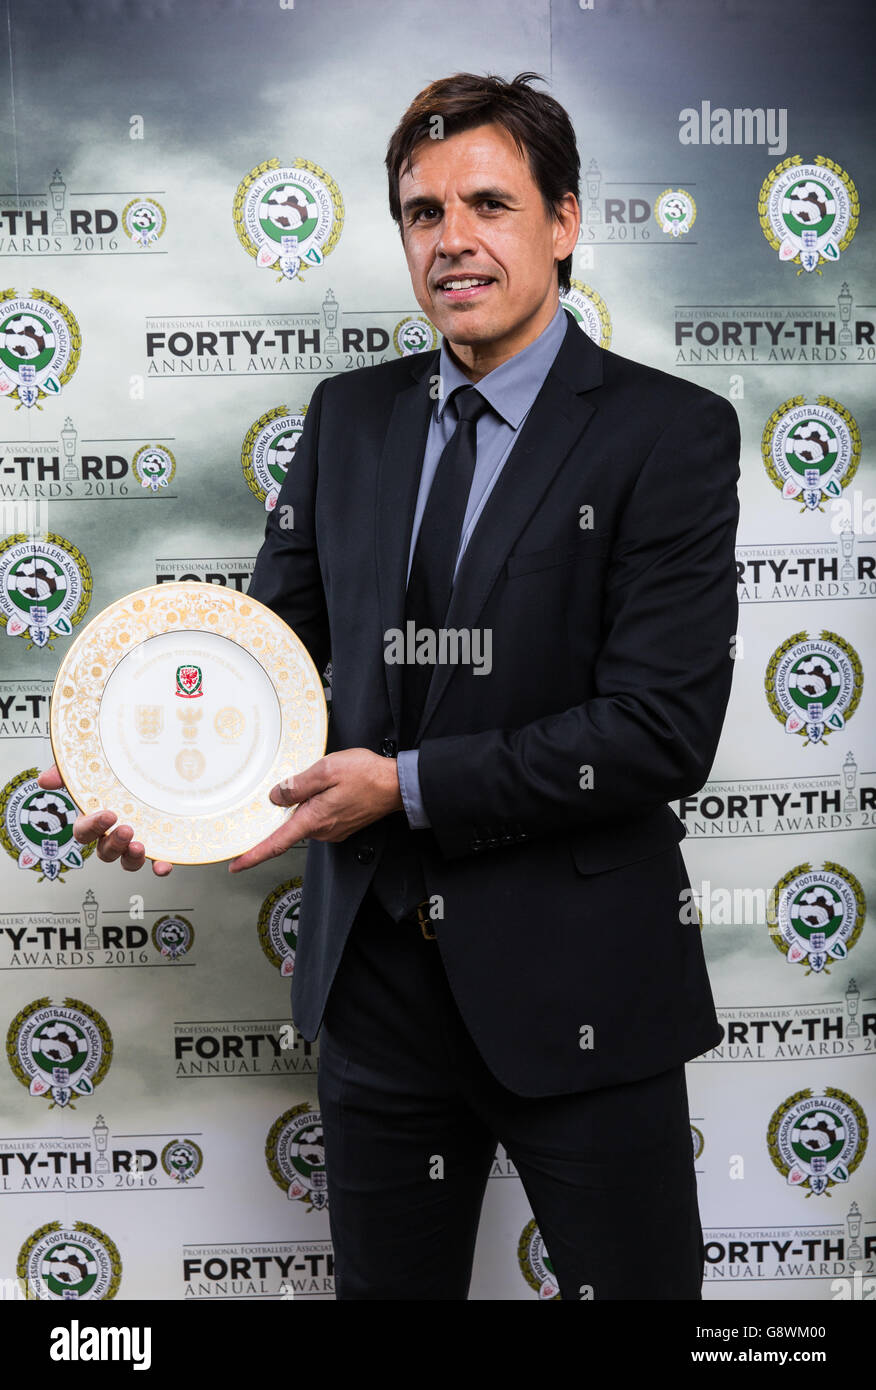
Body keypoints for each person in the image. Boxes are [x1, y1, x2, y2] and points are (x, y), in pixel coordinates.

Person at [40, 71, 740, 1301]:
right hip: (376, 997)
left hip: (581, 990)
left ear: (563, 222)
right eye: (424, 213)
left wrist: (404, 787)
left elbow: (658, 730)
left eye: (489, 204)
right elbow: (271, 663)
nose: (453, 240)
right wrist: (144, 774)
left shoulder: (667, 435)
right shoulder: (350, 416)